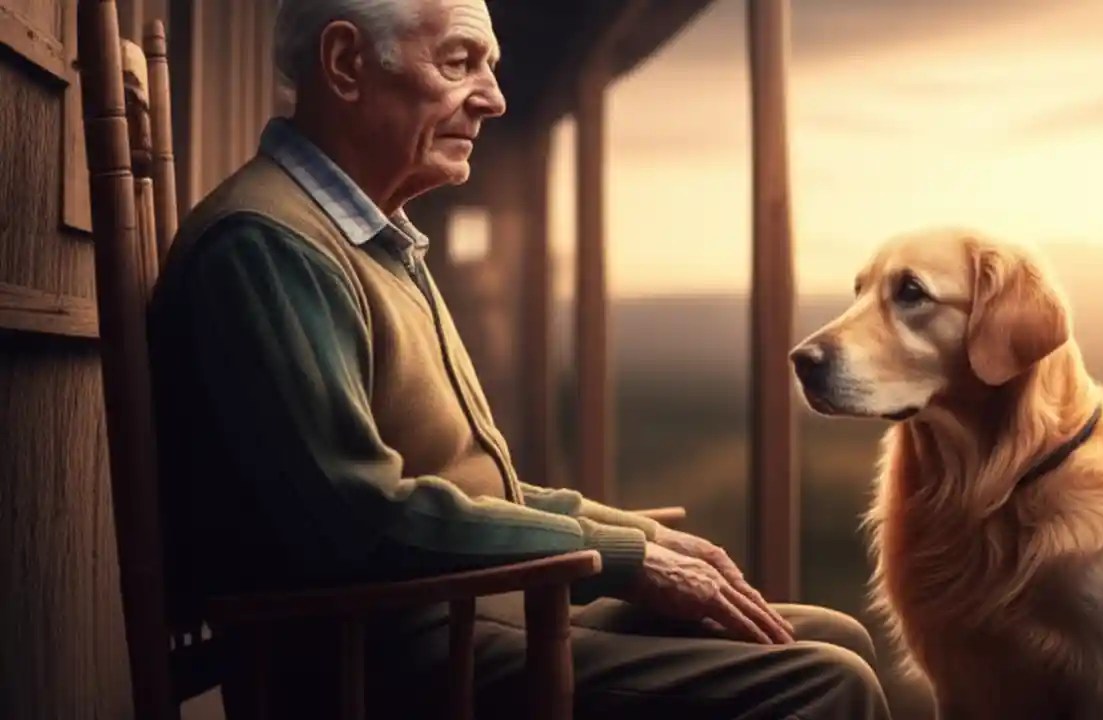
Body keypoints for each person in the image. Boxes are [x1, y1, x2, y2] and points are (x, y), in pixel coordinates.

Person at [147, 0, 892, 717]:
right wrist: (621, 558)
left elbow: (455, 486)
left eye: (492, 66)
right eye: (460, 61)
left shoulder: (365, 240)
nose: (494, 98)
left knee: (834, 637)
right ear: (345, 63)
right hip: (391, 662)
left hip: (473, 615)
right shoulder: (267, 248)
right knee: (822, 684)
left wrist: (637, 538)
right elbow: (359, 523)